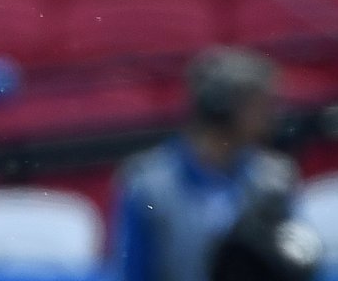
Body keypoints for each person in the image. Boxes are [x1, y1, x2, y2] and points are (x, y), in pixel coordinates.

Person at [109, 46, 305, 281]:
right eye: (259, 105)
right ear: (220, 106)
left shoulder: (275, 179)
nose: (270, 116)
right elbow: (134, 273)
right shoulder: (147, 184)